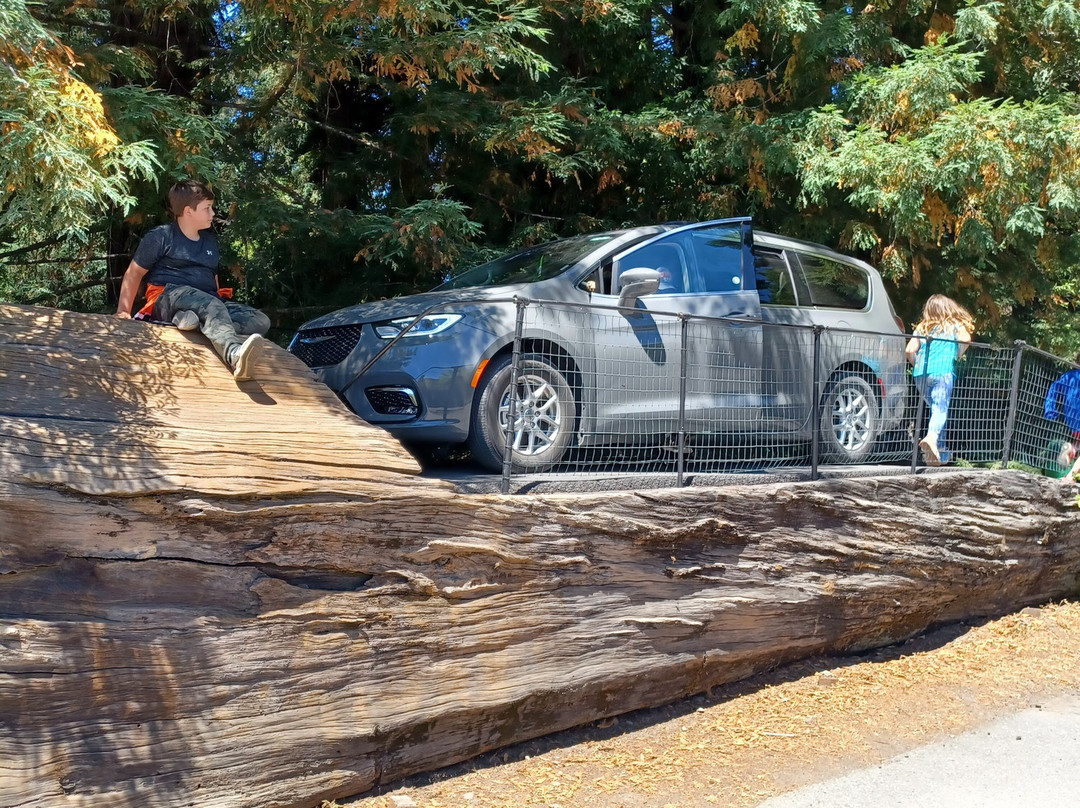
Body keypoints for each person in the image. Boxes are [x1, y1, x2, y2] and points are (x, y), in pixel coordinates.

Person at [115, 180, 270, 380]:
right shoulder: (161, 236)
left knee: (260, 321)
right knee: (211, 306)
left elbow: (212, 280)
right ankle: (235, 355)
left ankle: (192, 321)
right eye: (207, 208)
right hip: (167, 296)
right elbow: (134, 273)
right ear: (188, 211)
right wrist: (123, 312)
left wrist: (217, 303)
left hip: (206, 301)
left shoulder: (210, 242)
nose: (213, 214)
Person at [905, 294, 975, 466]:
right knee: (940, 409)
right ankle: (932, 438)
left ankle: (939, 453)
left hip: (920, 375)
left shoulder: (923, 327)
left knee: (936, 409)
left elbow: (909, 350)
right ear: (948, 308)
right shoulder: (953, 325)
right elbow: (966, 339)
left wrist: (917, 365)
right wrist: (958, 353)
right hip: (942, 372)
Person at [1043, 353, 1080, 472]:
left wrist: (1051, 410)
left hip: (1072, 420)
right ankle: (1070, 475)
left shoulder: (1068, 376)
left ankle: (1072, 449)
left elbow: (1053, 389)